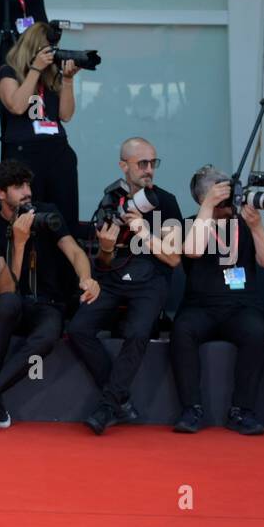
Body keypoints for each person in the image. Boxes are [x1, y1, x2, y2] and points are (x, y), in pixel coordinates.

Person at [0, 159, 98, 432]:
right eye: (17, 186)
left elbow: (74, 251)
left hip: (47, 305)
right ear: (0, 193)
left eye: (27, 185)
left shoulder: (48, 213)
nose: (26, 191)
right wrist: (20, 243)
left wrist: (87, 278)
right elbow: (5, 288)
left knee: (49, 335)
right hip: (12, 306)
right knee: (8, 303)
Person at [67, 137, 183, 435]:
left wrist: (143, 231)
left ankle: (107, 407)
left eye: (152, 163)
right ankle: (120, 400)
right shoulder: (110, 200)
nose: (149, 170)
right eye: (141, 163)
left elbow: (173, 259)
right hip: (114, 279)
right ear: (123, 165)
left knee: (137, 332)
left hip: (151, 280)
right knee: (79, 329)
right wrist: (105, 248)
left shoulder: (166, 201)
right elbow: (104, 263)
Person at [171, 166, 264, 436]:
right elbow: (193, 250)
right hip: (200, 306)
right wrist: (207, 207)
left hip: (242, 306)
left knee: (256, 332)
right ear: (203, 197)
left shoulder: (244, 224)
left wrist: (257, 226)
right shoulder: (188, 224)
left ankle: (242, 410)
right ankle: (191, 408)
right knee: (182, 331)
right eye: (219, 190)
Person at [0, 21, 82, 233]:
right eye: (47, 49)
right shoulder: (8, 72)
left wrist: (68, 80)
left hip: (57, 150)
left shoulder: (51, 75)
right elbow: (16, 106)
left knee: (64, 216)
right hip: (25, 154)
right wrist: (34, 69)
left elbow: (66, 115)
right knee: (30, 216)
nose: (52, 55)